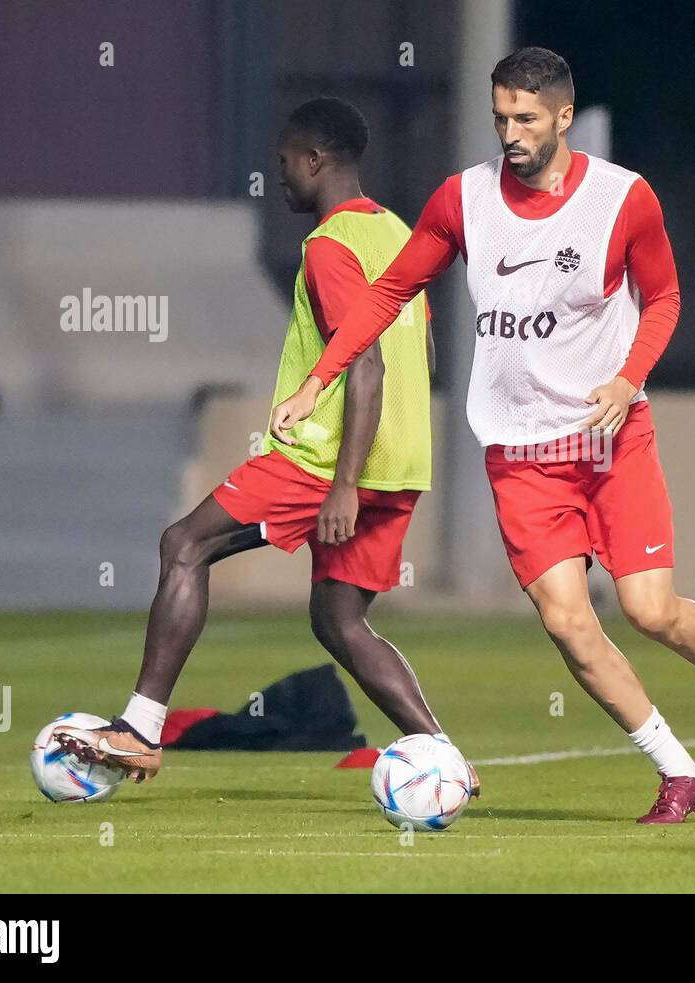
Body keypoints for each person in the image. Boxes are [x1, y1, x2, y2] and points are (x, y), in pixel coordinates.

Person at [269, 48, 695, 824]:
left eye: (525, 118)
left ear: (563, 116)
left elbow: (668, 298)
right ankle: (680, 773)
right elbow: (389, 293)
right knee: (569, 625)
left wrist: (627, 377)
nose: (509, 132)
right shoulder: (463, 200)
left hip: (612, 438)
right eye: (499, 117)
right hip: (520, 452)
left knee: (649, 610)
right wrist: (320, 378)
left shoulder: (623, 199)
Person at [55, 98, 472, 791]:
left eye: (284, 164)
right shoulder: (398, 233)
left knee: (184, 544)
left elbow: (365, 360)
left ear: (315, 160)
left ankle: (139, 728)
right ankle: (443, 756)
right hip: (400, 460)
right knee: (339, 619)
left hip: (328, 459)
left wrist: (342, 480)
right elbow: (420, 344)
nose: (278, 178)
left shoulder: (331, 246)